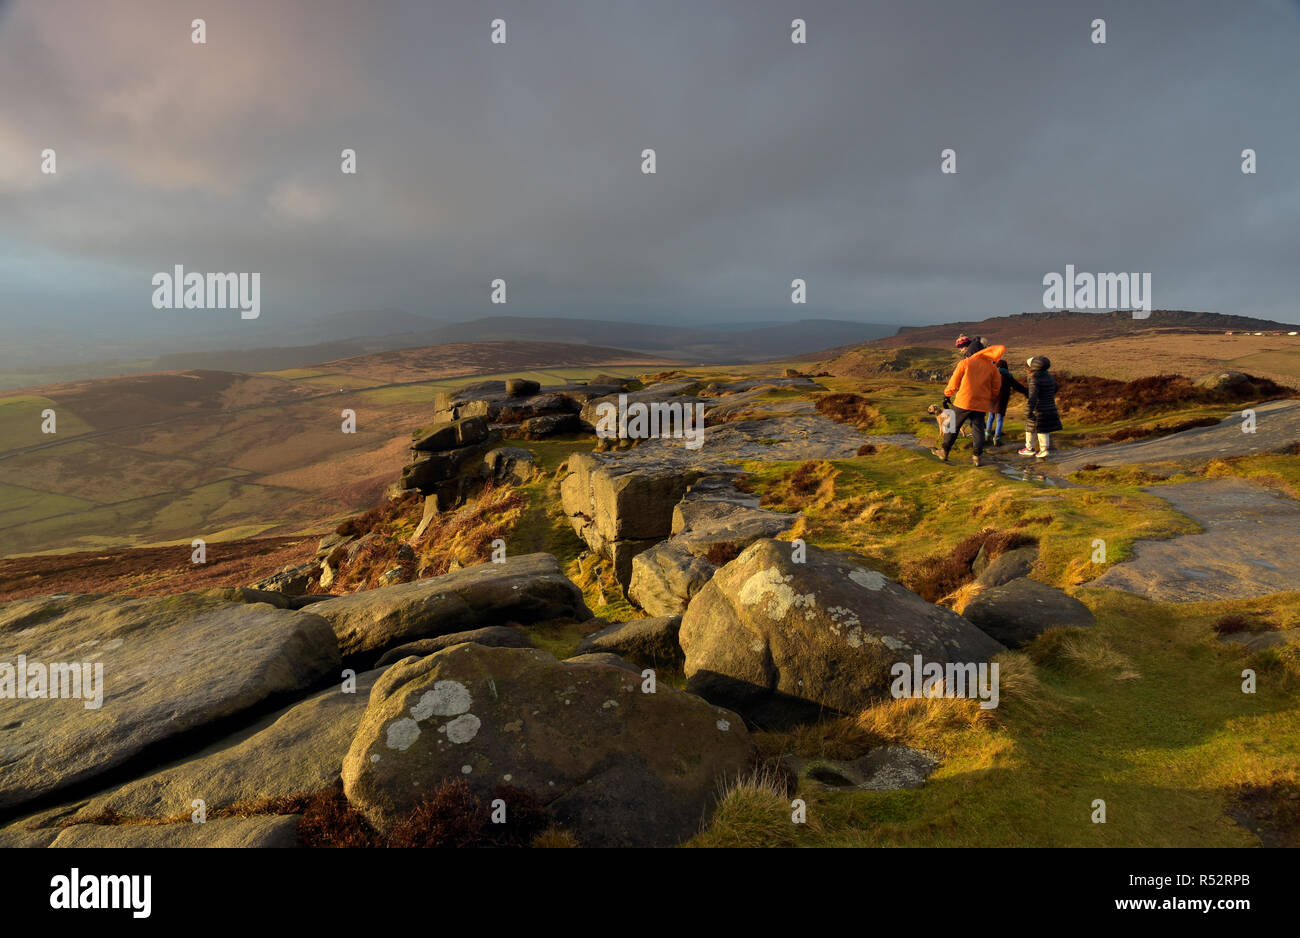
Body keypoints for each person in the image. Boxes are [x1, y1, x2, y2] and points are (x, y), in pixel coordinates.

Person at [933, 342, 1006, 466]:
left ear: (970, 352)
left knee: (953, 426)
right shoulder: (992, 367)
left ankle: (944, 451)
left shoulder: (965, 363)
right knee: (978, 429)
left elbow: (954, 381)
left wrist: (947, 395)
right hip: (981, 404)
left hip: (963, 402)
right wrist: (988, 397)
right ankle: (977, 457)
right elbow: (996, 387)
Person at [1019, 356, 1062, 458]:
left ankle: (1033, 449)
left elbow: (1032, 397)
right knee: (1043, 429)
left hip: (1038, 409)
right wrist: (1048, 396)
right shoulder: (1049, 377)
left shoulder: (1035, 380)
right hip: (1049, 405)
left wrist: (1028, 410)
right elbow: (1056, 388)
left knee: (1032, 428)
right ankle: (1042, 449)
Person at [987, 358, 1027, 446]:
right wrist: (1026, 391)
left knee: (990, 416)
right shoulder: (1008, 376)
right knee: (1000, 419)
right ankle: (997, 439)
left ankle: (987, 435)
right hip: (1002, 400)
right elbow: (1017, 386)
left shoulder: (992, 374)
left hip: (992, 399)